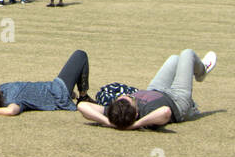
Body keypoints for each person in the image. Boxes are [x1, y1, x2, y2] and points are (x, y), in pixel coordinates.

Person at [78, 50, 217, 130]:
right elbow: (166, 112)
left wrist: (109, 122)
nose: (128, 95)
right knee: (187, 54)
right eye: (131, 99)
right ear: (136, 112)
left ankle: (198, 69)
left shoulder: (115, 111)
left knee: (174, 59)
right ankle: (201, 72)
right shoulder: (146, 114)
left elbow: (82, 106)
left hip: (155, 88)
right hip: (177, 99)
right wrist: (136, 124)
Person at [0, 49, 90, 115]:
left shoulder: (3, 92)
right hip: (57, 91)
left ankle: (78, 96)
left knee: (72, 87)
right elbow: (12, 111)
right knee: (80, 55)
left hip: (54, 88)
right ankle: (83, 95)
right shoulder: (11, 100)